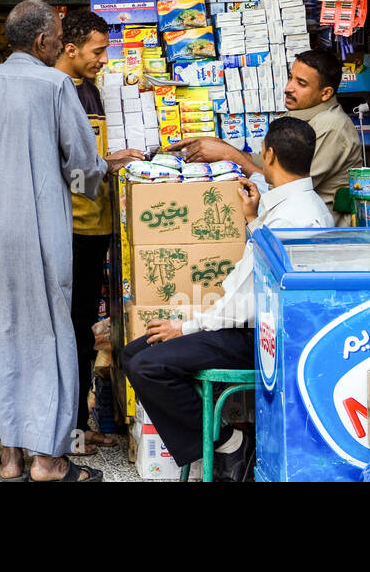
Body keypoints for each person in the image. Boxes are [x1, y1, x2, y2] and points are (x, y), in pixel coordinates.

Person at [0, 1, 142, 482]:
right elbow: (80, 166)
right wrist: (103, 170)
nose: (60, 44)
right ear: (41, 44)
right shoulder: (55, 85)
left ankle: (10, 458)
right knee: (47, 337)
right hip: (33, 229)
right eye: (57, 37)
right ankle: (48, 461)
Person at [121, 117, 335, 481]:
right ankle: (221, 442)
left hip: (260, 338)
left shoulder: (291, 219)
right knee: (134, 353)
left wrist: (185, 327)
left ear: (267, 154)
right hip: (253, 326)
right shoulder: (299, 207)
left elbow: (244, 304)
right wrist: (253, 221)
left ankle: (228, 441)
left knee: (147, 365)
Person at [54, 8, 143, 453]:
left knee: (85, 328)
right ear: (70, 49)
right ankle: (64, 431)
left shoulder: (88, 90)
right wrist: (107, 165)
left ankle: (78, 421)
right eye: (98, 50)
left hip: (96, 227)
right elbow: (61, 168)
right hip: (68, 229)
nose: (104, 58)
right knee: (68, 329)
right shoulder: (54, 92)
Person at [168, 48, 362, 223]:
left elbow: (286, 183)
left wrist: (231, 157)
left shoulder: (331, 127)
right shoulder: (302, 114)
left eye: (301, 83)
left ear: (326, 93)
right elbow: (271, 161)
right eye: (290, 77)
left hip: (309, 230)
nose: (288, 88)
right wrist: (219, 147)